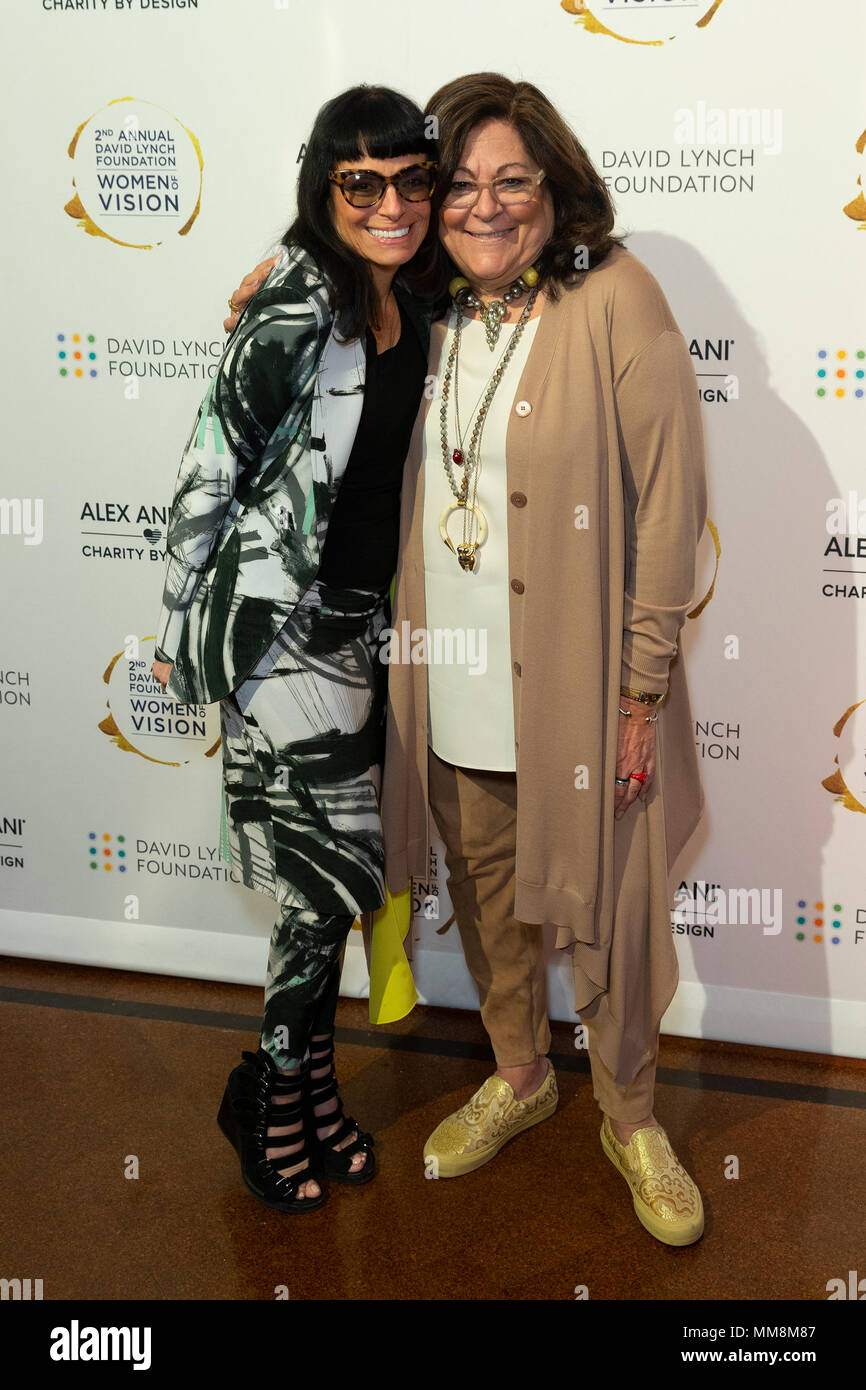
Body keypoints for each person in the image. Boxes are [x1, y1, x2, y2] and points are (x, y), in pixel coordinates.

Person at [226, 73, 708, 1246]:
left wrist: (640, 688)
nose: (484, 207)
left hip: (585, 689)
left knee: (611, 915)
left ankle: (631, 1114)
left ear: (554, 188)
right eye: (464, 185)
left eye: (513, 182)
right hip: (450, 683)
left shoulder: (616, 299)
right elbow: (333, 258)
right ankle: (520, 1073)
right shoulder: (417, 306)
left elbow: (665, 511)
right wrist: (271, 273)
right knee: (491, 904)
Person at [152, 85, 439, 1212]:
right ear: (322, 188)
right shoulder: (293, 302)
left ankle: (310, 1093)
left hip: (358, 632)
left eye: (410, 179)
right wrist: (184, 634)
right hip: (279, 639)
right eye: (358, 184)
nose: (391, 203)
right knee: (322, 898)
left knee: (330, 883)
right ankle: (271, 1100)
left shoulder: (410, 295)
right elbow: (205, 468)